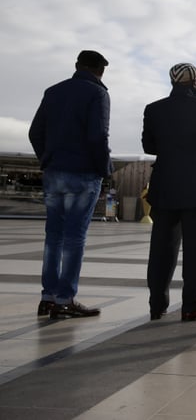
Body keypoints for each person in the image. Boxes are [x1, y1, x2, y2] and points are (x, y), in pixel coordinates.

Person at [142, 63, 196, 321]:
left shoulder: (154, 109)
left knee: (161, 248)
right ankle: (192, 304)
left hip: (165, 187)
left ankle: (157, 304)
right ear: (194, 82)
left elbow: (149, 145)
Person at [29, 50, 112, 319]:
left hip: (54, 172)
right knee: (75, 237)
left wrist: (47, 159)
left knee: (53, 236)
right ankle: (65, 299)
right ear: (100, 70)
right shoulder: (97, 93)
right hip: (83, 173)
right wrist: (104, 170)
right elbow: (98, 135)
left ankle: (48, 297)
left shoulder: (53, 92)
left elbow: (35, 132)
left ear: (77, 66)